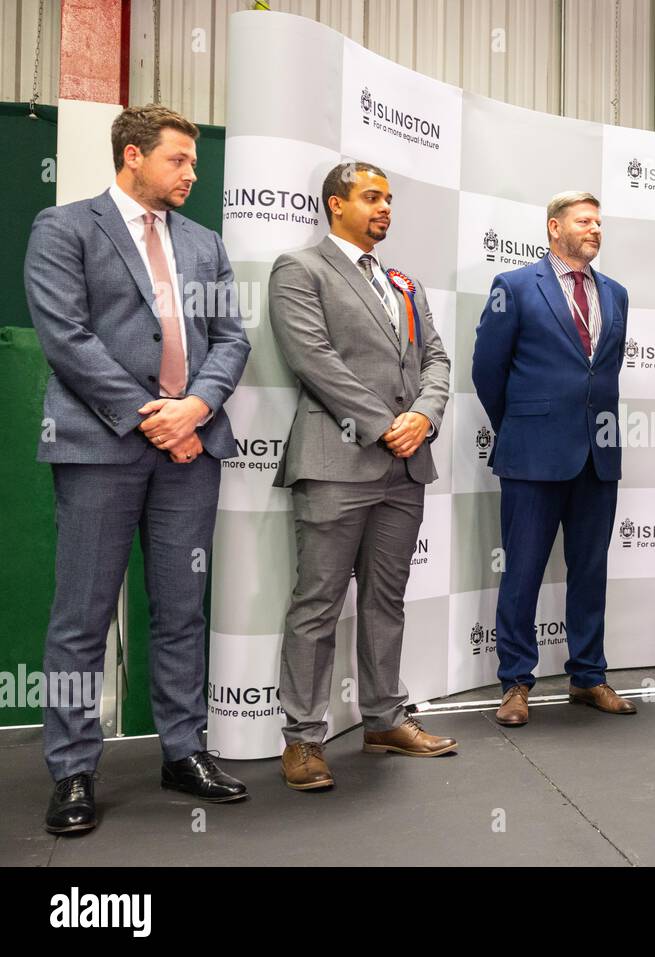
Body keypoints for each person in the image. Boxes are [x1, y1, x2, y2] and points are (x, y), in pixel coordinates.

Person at [25, 105, 251, 833]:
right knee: (81, 617)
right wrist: (157, 416)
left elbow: (231, 340)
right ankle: (72, 768)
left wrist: (197, 408)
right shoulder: (63, 228)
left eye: (193, 160)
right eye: (179, 159)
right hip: (101, 448)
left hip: (192, 450)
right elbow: (66, 337)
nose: (192, 171)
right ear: (132, 156)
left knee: (182, 610)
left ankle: (183, 749)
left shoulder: (205, 243)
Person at [269, 160, 455, 791]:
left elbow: (437, 358)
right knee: (317, 605)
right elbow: (312, 359)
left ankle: (382, 718)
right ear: (334, 204)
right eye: (371, 197)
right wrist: (386, 424)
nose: (385, 209)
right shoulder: (300, 269)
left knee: (386, 600)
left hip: (404, 468)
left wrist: (422, 418)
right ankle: (302, 739)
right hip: (335, 464)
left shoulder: (404, 282)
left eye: (389, 199)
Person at [472, 191, 635, 726]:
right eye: (583, 221)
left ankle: (588, 676)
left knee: (591, 570)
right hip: (531, 454)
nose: (594, 229)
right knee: (522, 571)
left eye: (598, 222)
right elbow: (487, 371)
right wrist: (520, 427)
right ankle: (516, 682)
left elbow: (601, 374)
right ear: (553, 227)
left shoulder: (616, 294)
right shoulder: (515, 287)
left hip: (598, 454)